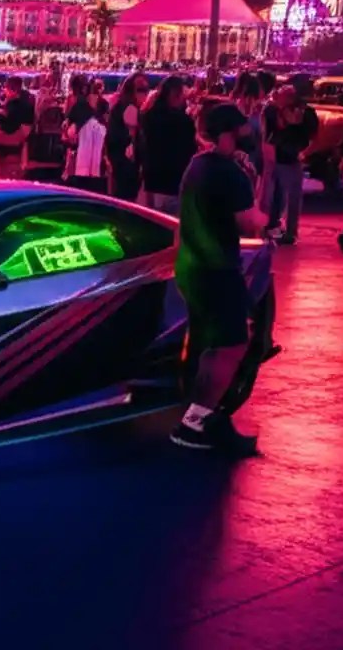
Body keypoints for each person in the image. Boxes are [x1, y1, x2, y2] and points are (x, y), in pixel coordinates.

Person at [170, 102, 270, 454]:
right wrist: (265, 208)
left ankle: (201, 412)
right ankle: (196, 421)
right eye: (243, 127)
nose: (249, 132)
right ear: (230, 131)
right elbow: (249, 221)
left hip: (192, 265)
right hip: (217, 268)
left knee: (204, 341)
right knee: (231, 344)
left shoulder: (197, 165)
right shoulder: (230, 173)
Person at [261, 84, 318, 244]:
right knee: (274, 197)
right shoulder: (272, 111)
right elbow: (267, 136)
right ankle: (273, 227)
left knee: (289, 197)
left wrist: (304, 153)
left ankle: (289, 232)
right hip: (276, 157)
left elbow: (313, 136)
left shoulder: (305, 113)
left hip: (290, 159)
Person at [140, 76, 197, 214]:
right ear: (175, 95)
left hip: (151, 181)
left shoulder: (148, 116)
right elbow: (189, 152)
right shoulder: (183, 121)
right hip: (173, 183)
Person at [106, 72, 148, 201]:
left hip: (122, 163)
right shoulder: (129, 109)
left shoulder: (121, 108)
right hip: (126, 165)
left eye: (146, 89)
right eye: (141, 89)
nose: (144, 93)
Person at [0, 75, 35, 178]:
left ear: (12, 89)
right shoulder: (27, 100)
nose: (5, 91)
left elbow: (10, 121)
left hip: (13, 135)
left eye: (6, 88)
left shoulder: (14, 103)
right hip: (25, 134)